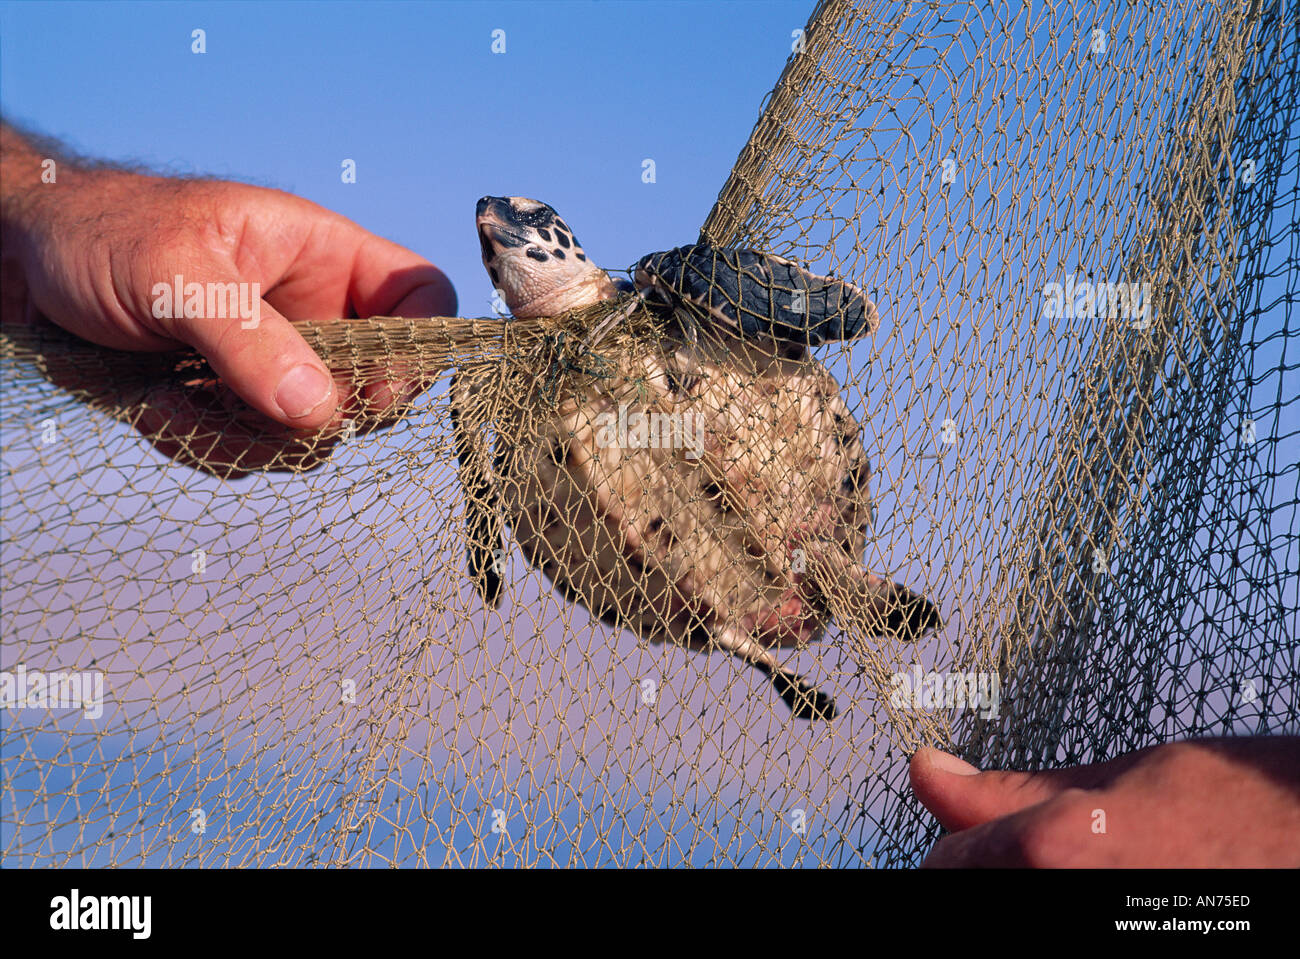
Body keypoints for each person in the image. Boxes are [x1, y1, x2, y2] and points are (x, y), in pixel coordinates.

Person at [4, 123, 1297, 867]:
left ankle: (833, 574)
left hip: (768, 482)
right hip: (633, 522)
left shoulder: (672, 283)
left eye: (530, 233)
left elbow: (822, 321)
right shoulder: (495, 379)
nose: (511, 249)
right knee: (701, 571)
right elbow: (485, 460)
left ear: (563, 245)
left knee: (785, 515)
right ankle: (762, 640)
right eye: (506, 246)